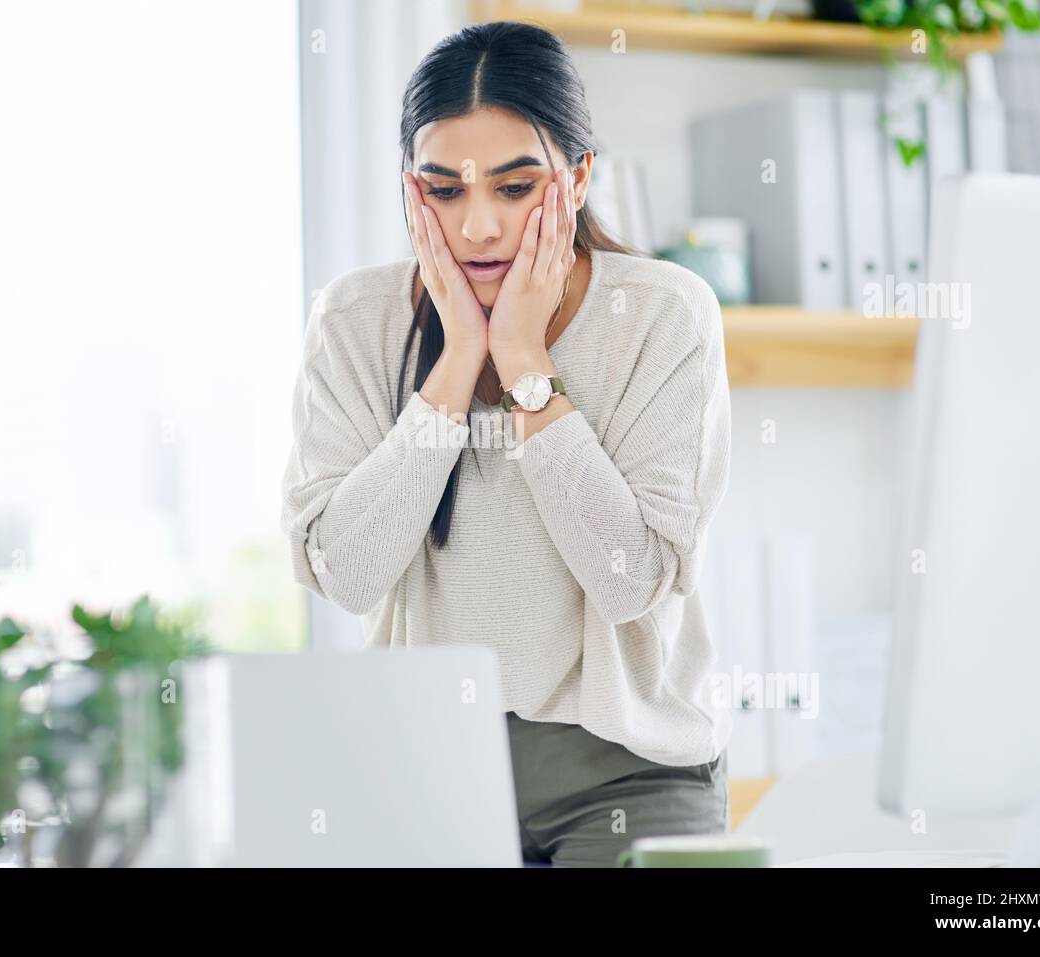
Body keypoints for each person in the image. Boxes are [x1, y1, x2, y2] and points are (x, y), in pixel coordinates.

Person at [281, 21, 732, 867]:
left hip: (630, 773)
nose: (478, 227)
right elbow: (346, 572)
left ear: (579, 177)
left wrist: (525, 364)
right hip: (427, 768)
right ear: (411, 192)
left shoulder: (666, 314)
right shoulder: (355, 320)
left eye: (515, 186)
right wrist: (455, 366)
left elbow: (628, 578)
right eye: (444, 190)